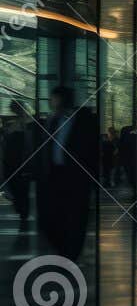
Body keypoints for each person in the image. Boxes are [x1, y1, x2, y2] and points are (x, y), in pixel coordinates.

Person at [38, 87, 96, 260]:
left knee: (75, 215)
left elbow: (90, 151)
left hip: (76, 177)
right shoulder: (53, 120)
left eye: (53, 98)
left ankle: (71, 253)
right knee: (52, 216)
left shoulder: (82, 120)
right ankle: (63, 248)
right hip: (55, 175)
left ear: (62, 99)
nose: (51, 102)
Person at [2, 102, 38, 226]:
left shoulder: (25, 123)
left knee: (20, 187)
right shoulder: (15, 123)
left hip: (19, 161)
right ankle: (22, 210)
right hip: (13, 161)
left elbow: (27, 143)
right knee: (17, 187)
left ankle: (23, 211)